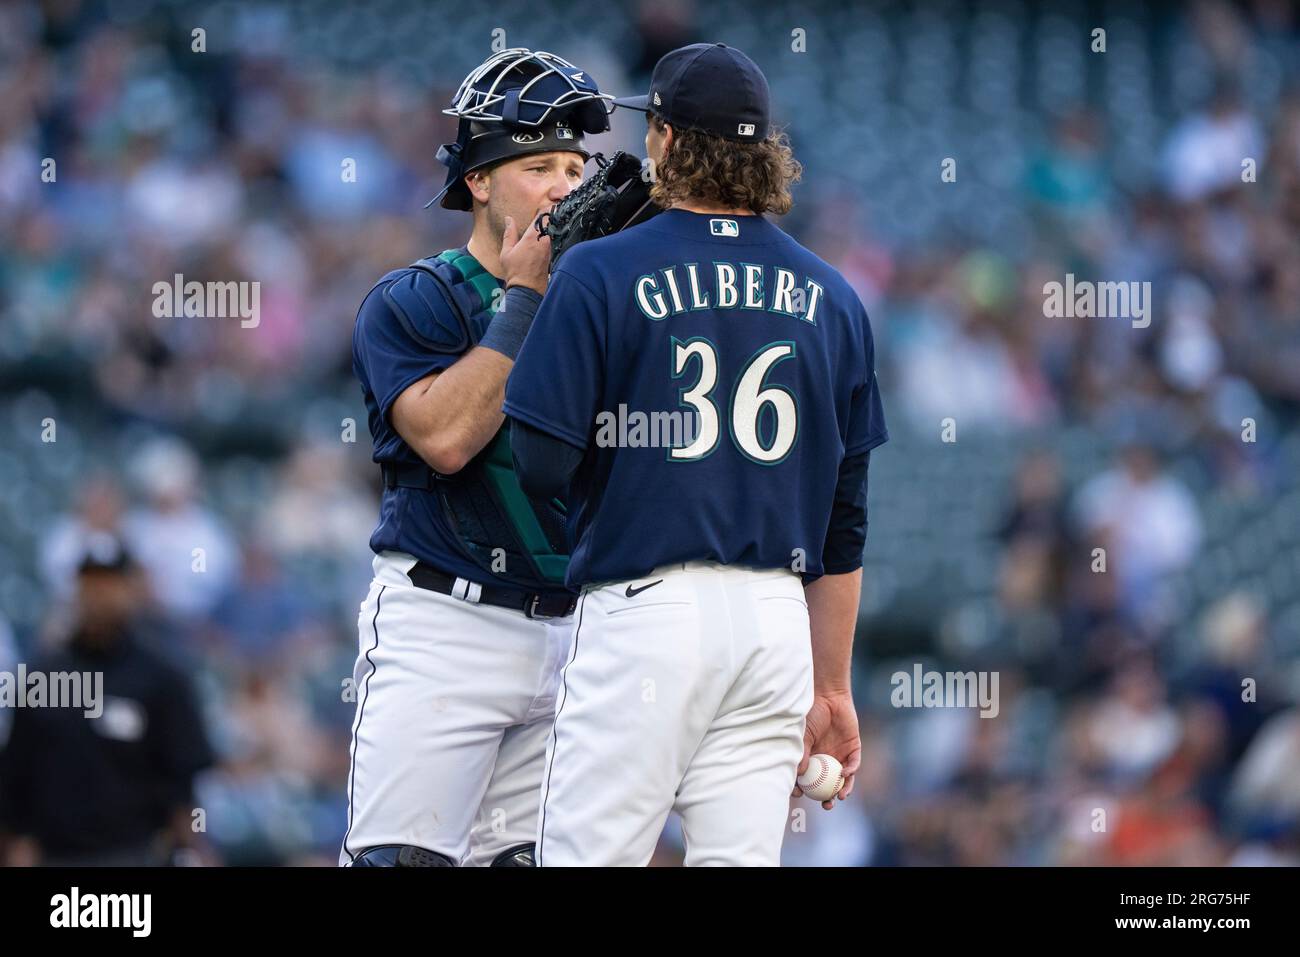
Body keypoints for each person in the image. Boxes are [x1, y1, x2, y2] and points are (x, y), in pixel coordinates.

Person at [504, 42, 888, 866]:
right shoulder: (835, 297)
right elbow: (844, 527)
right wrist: (830, 685)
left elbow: (537, 461)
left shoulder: (601, 269)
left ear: (668, 142)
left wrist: (541, 299)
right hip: (776, 630)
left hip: (646, 612)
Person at [342, 49, 615, 867]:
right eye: (538, 166)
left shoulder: (602, 308)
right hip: (445, 624)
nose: (565, 185)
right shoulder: (412, 299)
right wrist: (528, 296)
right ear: (479, 181)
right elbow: (449, 438)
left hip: (572, 636)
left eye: (575, 166)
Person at [0, 533, 214, 866]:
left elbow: (182, 780)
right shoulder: (43, 677)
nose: (100, 596)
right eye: (91, 584)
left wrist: (191, 849)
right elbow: (16, 774)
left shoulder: (161, 678)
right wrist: (15, 842)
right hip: (55, 858)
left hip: (136, 854)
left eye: (110, 584)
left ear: (130, 589)